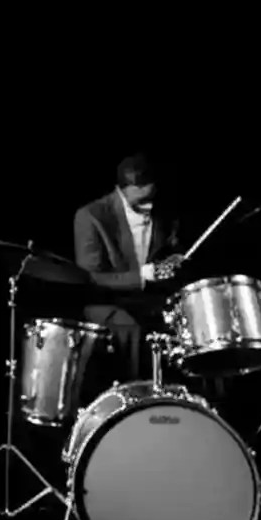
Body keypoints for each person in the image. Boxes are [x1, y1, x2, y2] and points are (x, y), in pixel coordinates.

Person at [73, 152, 186, 387]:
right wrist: (142, 276)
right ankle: (134, 398)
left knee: (185, 326)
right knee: (132, 328)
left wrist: (173, 263)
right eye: (142, 202)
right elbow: (90, 277)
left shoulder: (164, 213)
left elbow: (168, 253)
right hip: (108, 304)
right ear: (123, 189)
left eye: (152, 197)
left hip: (149, 302)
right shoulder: (92, 217)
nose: (150, 206)